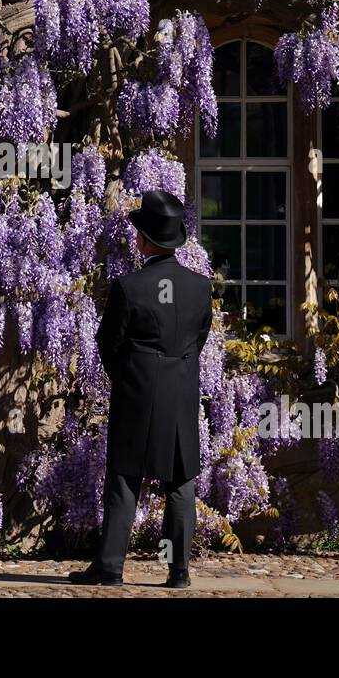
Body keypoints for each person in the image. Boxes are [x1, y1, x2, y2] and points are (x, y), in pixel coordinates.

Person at [69, 189, 213, 589]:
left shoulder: (128, 287)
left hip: (137, 391)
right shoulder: (200, 287)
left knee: (124, 478)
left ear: (144, 240)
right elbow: (199, 338)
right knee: (180, 482)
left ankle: (111, 568)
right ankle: (177, 570)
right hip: (182, 391)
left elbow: (106, 342)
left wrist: (130, 376)